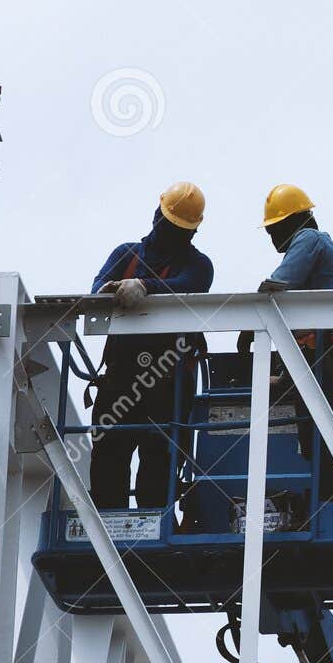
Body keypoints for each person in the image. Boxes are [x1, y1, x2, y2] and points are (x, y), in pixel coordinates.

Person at [88, 182, 214, 512]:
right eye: (169, 225)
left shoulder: (198, 265)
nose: (172, 234)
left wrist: (145, 286)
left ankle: (153, 521)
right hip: (122, 375)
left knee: (160, 453)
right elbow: (96, 290)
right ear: (157, 216)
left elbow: (190, 286)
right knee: (108, 449)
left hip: (167, 379)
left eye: (180, 229)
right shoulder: (125, 255)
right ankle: (109, 523)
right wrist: (110, 289)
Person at [254, 184, 333, 500]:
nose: (271, 236)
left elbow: (280, 283)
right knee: (317, 430)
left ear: (290, 222)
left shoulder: (309, 239)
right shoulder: (316, 242)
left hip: (325, 356)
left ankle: (330, 499)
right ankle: (327, 497)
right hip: (319, 356)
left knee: (321, 431)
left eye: (274, 228)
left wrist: (248, 322)